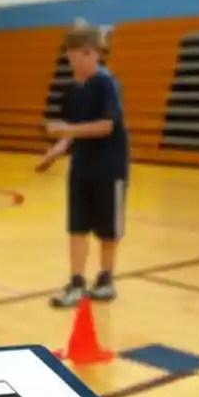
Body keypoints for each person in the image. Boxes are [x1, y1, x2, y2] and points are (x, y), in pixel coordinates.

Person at [37, 25, 130, 308]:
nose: (74, 61)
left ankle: (106, 280)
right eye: (71, 55)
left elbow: (106, 125)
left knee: (109, 228)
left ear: (92, 53)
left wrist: (67, 131)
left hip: (111, 168)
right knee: (77, 225)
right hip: (82, 167)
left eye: (78, 55)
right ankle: (76, 283)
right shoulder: (71, 91)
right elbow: (72, 130)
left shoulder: (107, 84)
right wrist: (55, 151)